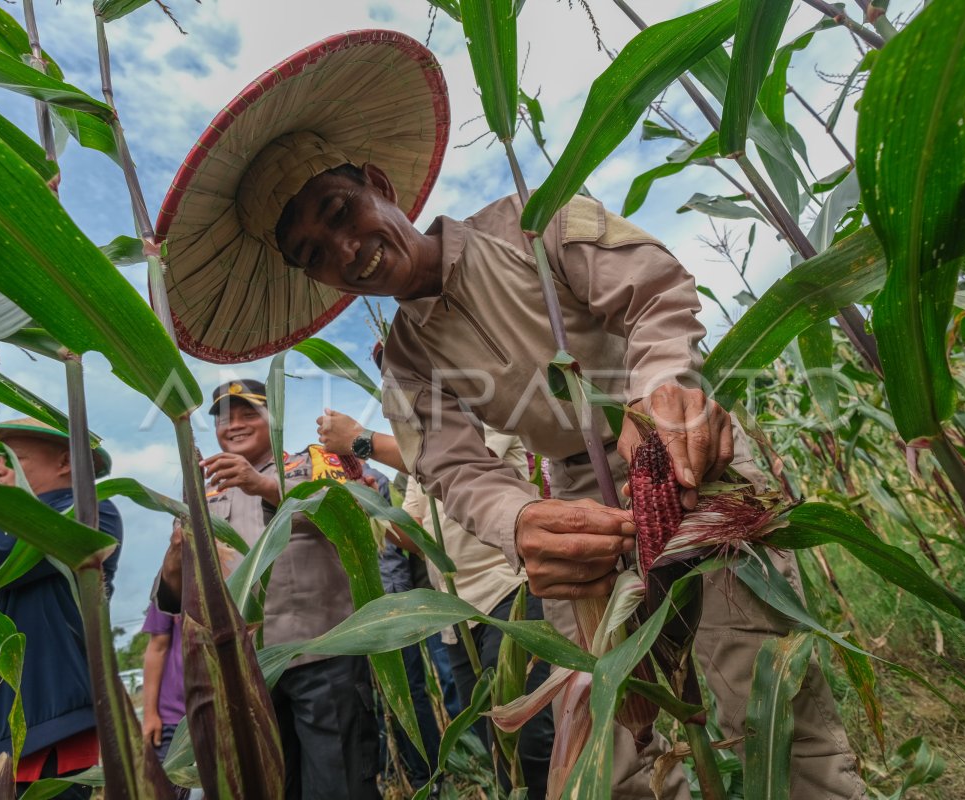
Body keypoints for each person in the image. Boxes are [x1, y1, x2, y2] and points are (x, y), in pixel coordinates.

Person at [157, 31, 864, 799]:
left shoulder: (534, 218)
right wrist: (523, 522)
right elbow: (456, 468)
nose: (343, 248)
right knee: (610, 751)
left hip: (683, 459)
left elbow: (655, 295)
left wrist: (658, 393)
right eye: (312, 251)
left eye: (339, 210)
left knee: (775, 716)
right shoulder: (407, 360)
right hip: (578, 512)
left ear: (377, 184)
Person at [160, 378, 381, 800]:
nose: (236, 425)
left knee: (340, 786)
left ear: (272, 419)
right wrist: (176, 554)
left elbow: (350, 509)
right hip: (248, 670)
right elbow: (174, 593)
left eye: (249, 414)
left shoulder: (311, 463)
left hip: (323, 654)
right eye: (226, 418)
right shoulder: (202, 493)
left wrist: (262, 485)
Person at [319, 409, 556, 799]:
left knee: (530, 744)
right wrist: (373, 507)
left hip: (508, 592)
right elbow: (418, 533)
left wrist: (362, 440)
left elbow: (456, 467)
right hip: (456, 615)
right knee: (493, 743)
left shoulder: (480, 409)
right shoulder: (418, 441)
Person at [0, 419, 121, 799]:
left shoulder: (89, 514)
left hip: (38, 733)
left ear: (65, 461)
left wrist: (4, 507)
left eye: (12, 458)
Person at [140, 521, 192, 800]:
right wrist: (150, 714)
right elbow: (157, 647)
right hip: (173, 719)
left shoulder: (237, 574)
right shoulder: (170, 582)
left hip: (219, 714)